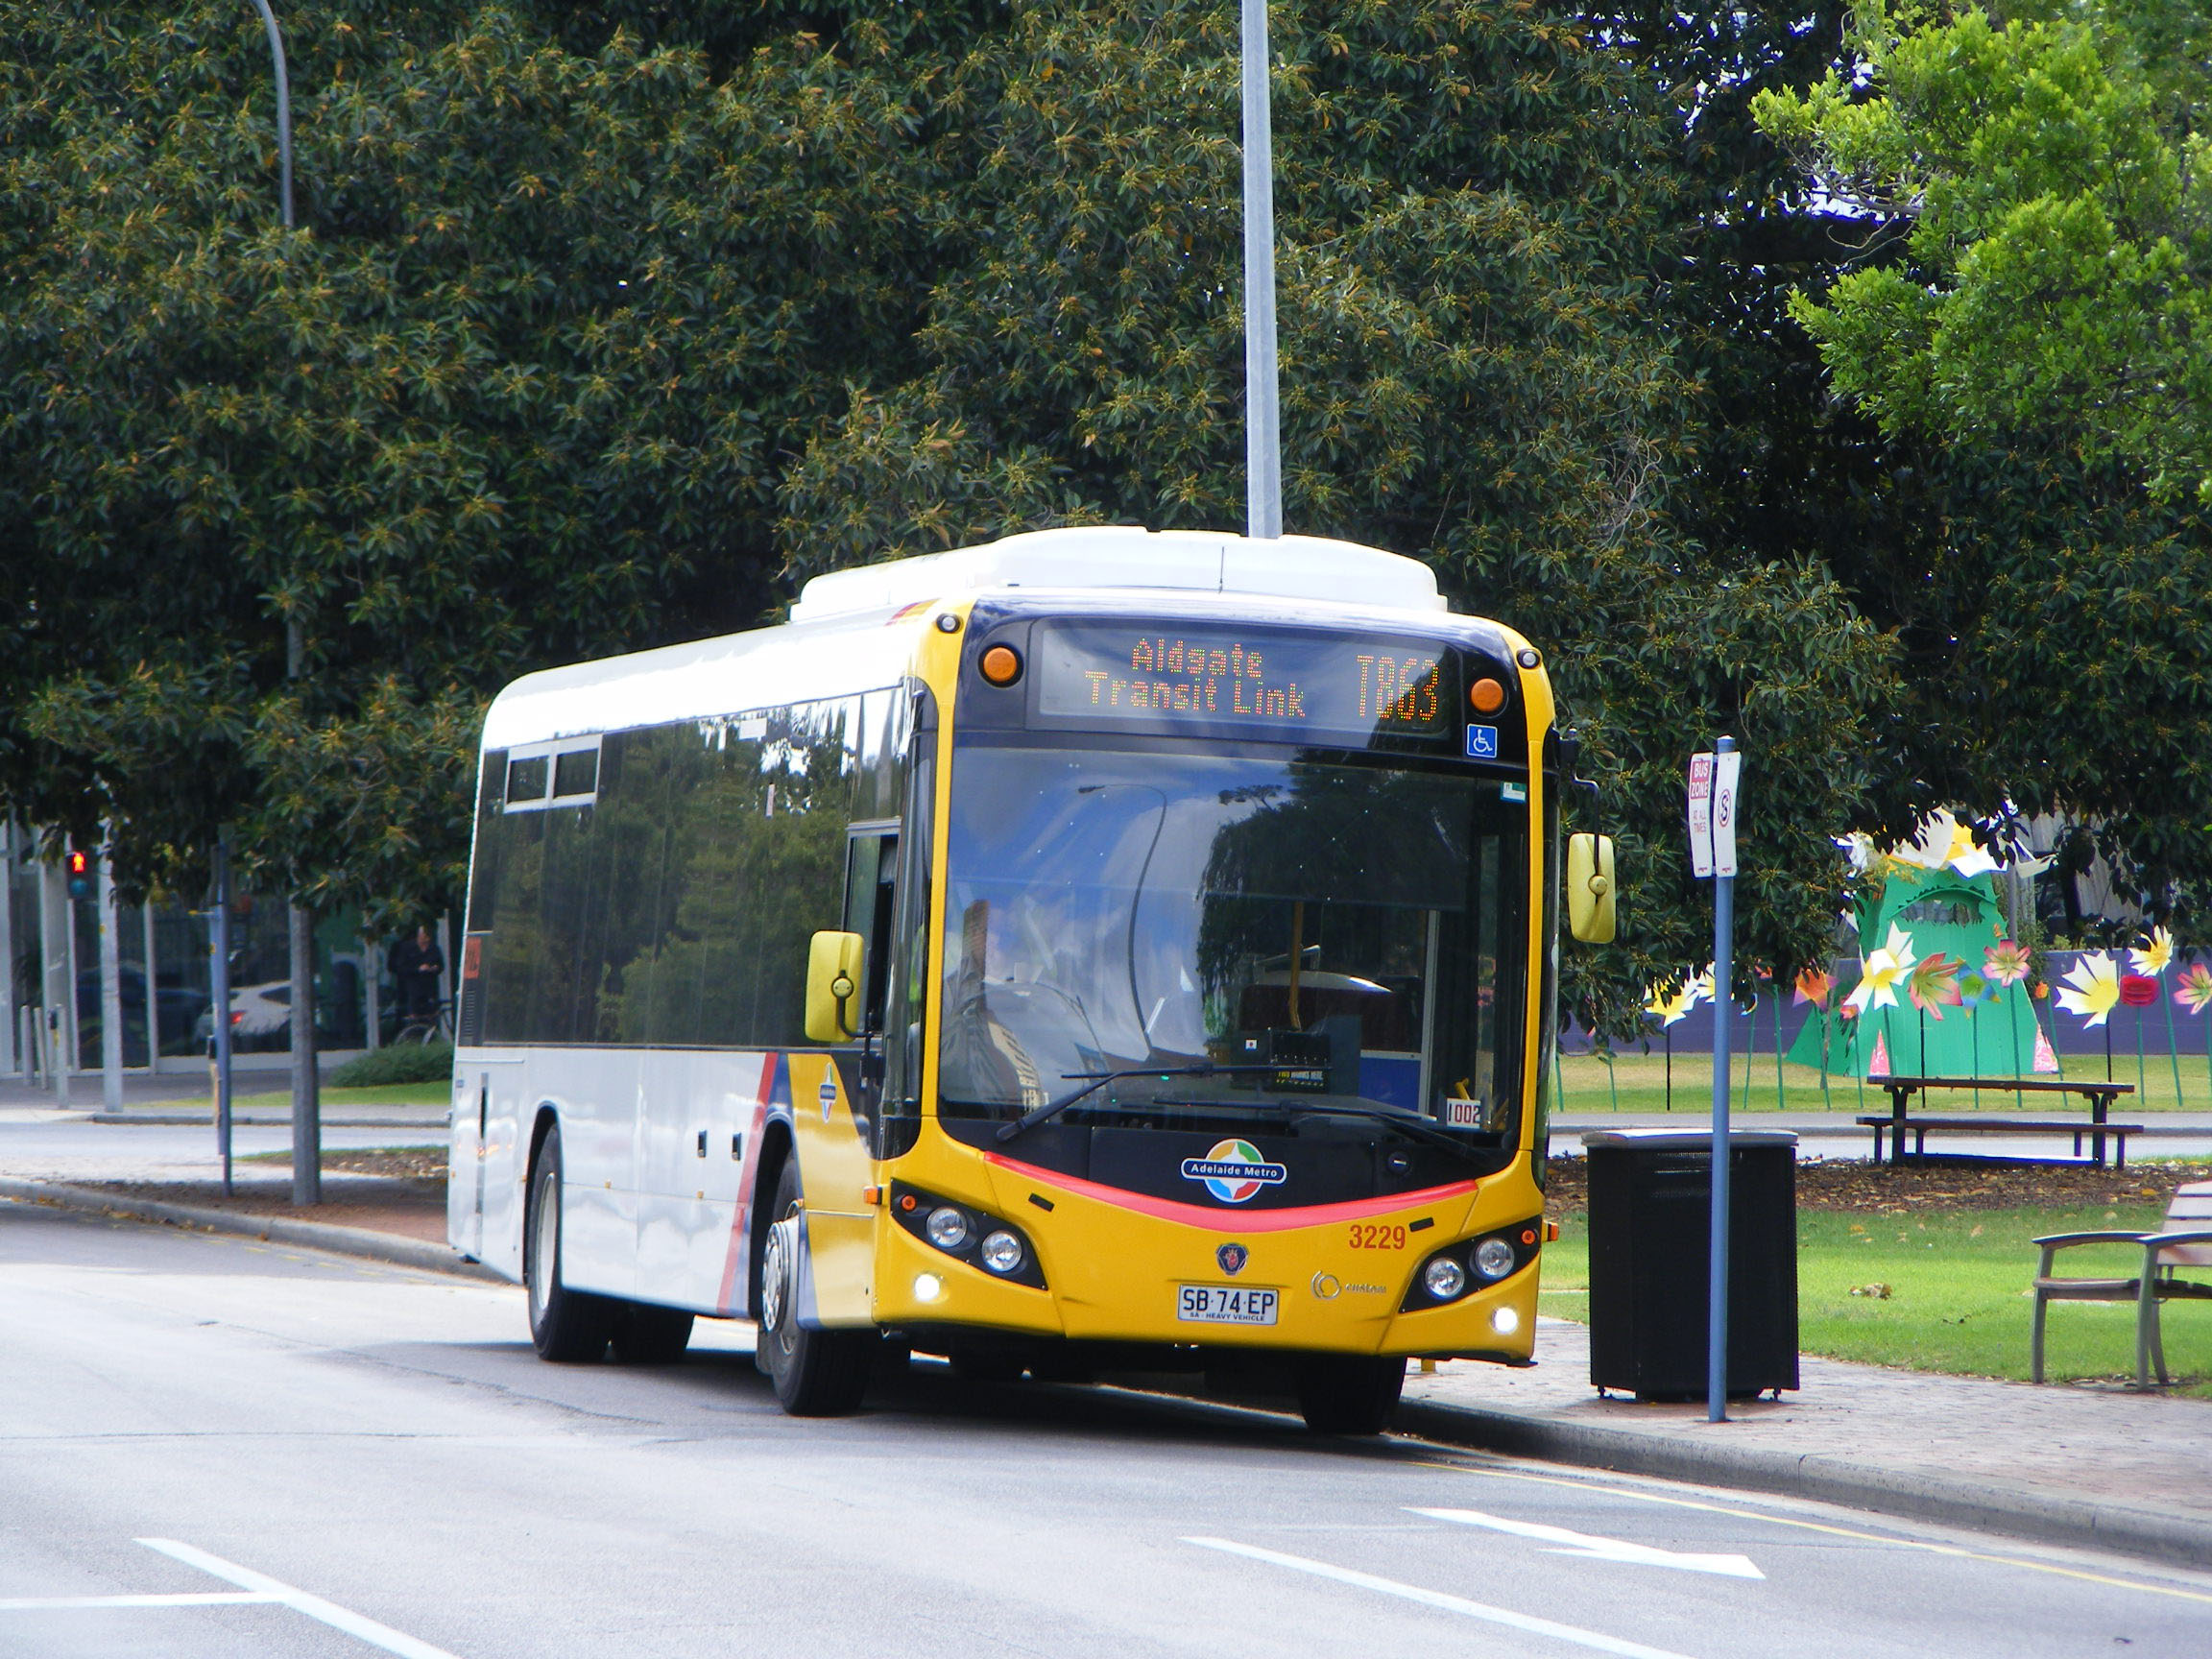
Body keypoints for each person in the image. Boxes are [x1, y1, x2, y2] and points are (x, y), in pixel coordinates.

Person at [388, 925, 445, 1024]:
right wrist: (417, 969)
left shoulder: (434, 948)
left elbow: (441, 965)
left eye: (428, 938)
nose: (426, 940)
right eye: (423, 937)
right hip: (413, 989)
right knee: (413, 1017)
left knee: (431, 1016)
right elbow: (400, 967)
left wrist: (435, 968)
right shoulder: (407, 948)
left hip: (430, 988)